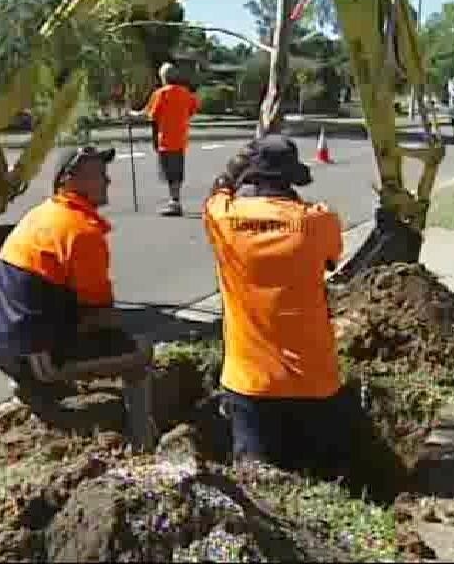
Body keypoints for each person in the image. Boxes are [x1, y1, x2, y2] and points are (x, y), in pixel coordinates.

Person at [0, 146, 156, 448]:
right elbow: (100, 314)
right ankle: (143, 441)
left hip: (1, 346)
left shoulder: (43, 214)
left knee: (89, 332)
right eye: (98, 175)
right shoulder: (81, 232)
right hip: (34, 357)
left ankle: (32, 386)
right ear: (69, 180)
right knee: (140, 351)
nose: (107, 181)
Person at [203, 135, 347, 473]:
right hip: (315, 381)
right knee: (319, 481)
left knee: (256, 481)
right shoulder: (319, 221)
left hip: (249, 382)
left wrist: (233, 170)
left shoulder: (223, 218)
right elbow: (330, 259)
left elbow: (218, 190)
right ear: (292, 178)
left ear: (249, 177)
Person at [132, 62, 200, 217]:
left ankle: (175, 203)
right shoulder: (185, 93)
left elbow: (149, 114)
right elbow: (193, 108)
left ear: (163, 77)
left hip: (165, 139)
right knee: (177, 171)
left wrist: (132, 115)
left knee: (170, 173)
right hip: (180, 138)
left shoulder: (161, 94)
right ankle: (174, 201)